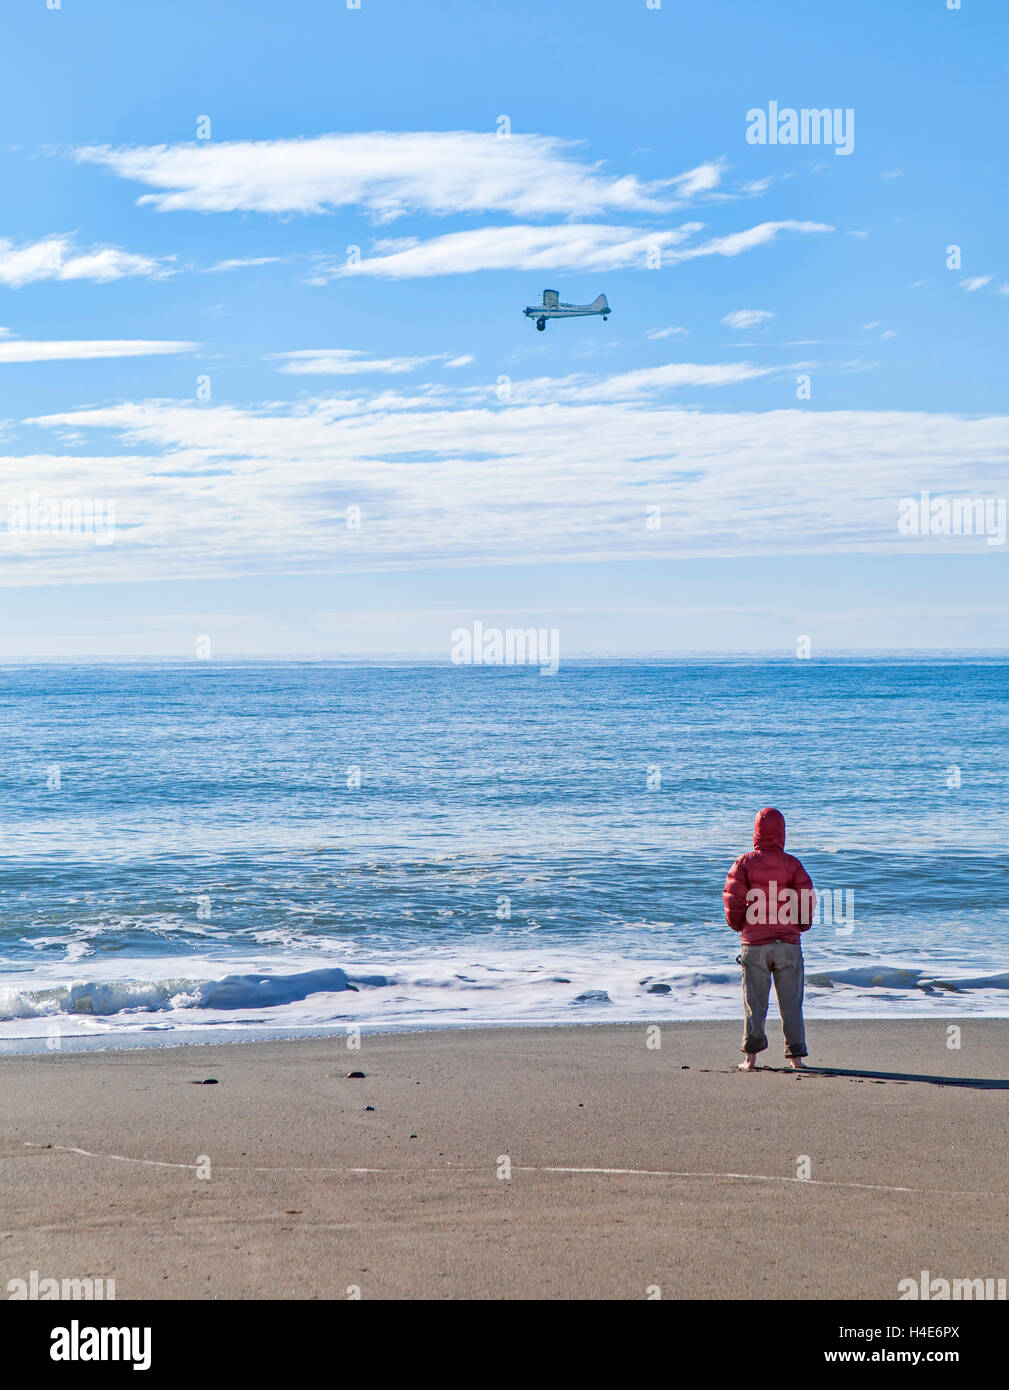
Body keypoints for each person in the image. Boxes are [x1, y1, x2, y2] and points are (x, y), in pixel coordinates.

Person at [722, 807, 815, 1071]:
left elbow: (733, 899)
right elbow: (806, 900)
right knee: (791, 1004)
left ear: (756, 832)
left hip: (755, 945)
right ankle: (796, 1058)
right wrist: (800, 926)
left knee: (754, 1003)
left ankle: (750, 1059)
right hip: (787, 945)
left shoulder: (744, 863)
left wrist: (740, 926)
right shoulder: (793, 864)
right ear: (782, 833)